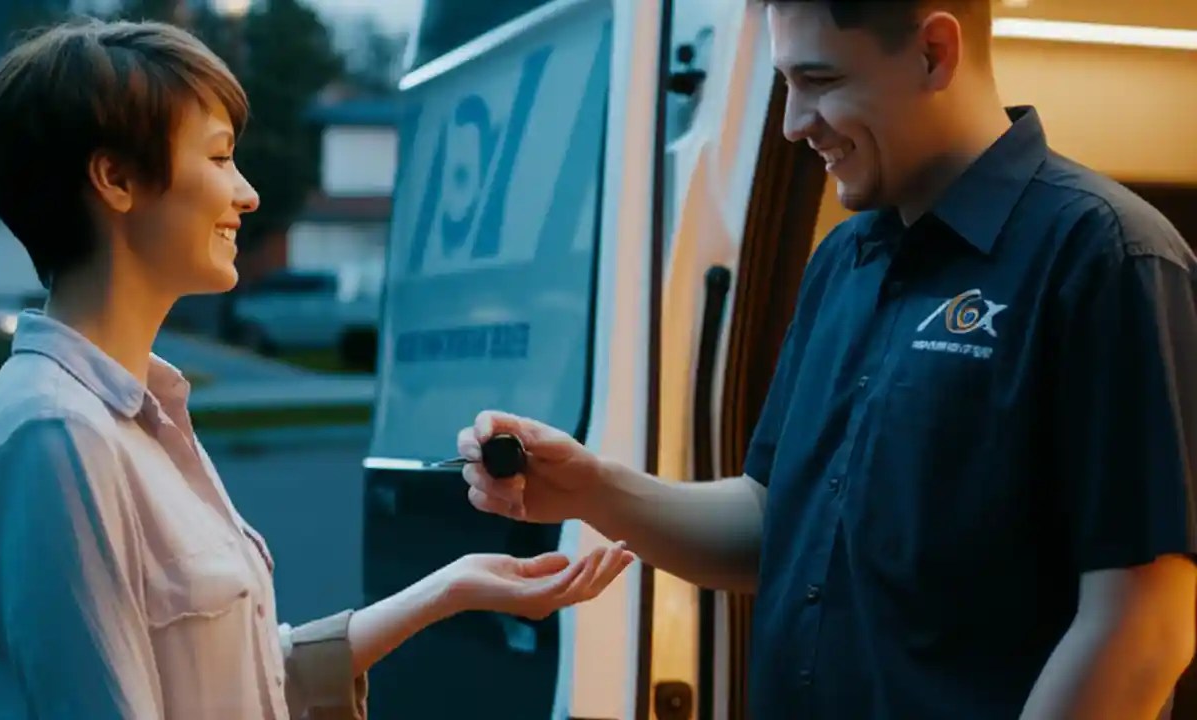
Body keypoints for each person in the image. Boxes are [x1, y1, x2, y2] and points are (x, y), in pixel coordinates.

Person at [458, 1, 1197, 718]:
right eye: (786, 84)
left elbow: (1143, 627)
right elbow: (777, 523)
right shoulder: (844, 260)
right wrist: (594, 488)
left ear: (934, 53)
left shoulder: (1104, 257)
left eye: (819, 82)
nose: (791, 123)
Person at [0, 18, 633, 720]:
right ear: (115, 179)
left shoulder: (140, 410)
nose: (247, 194)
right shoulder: (57, 437)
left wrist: (450, 589)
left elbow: (237, 682)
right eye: (218, 160)